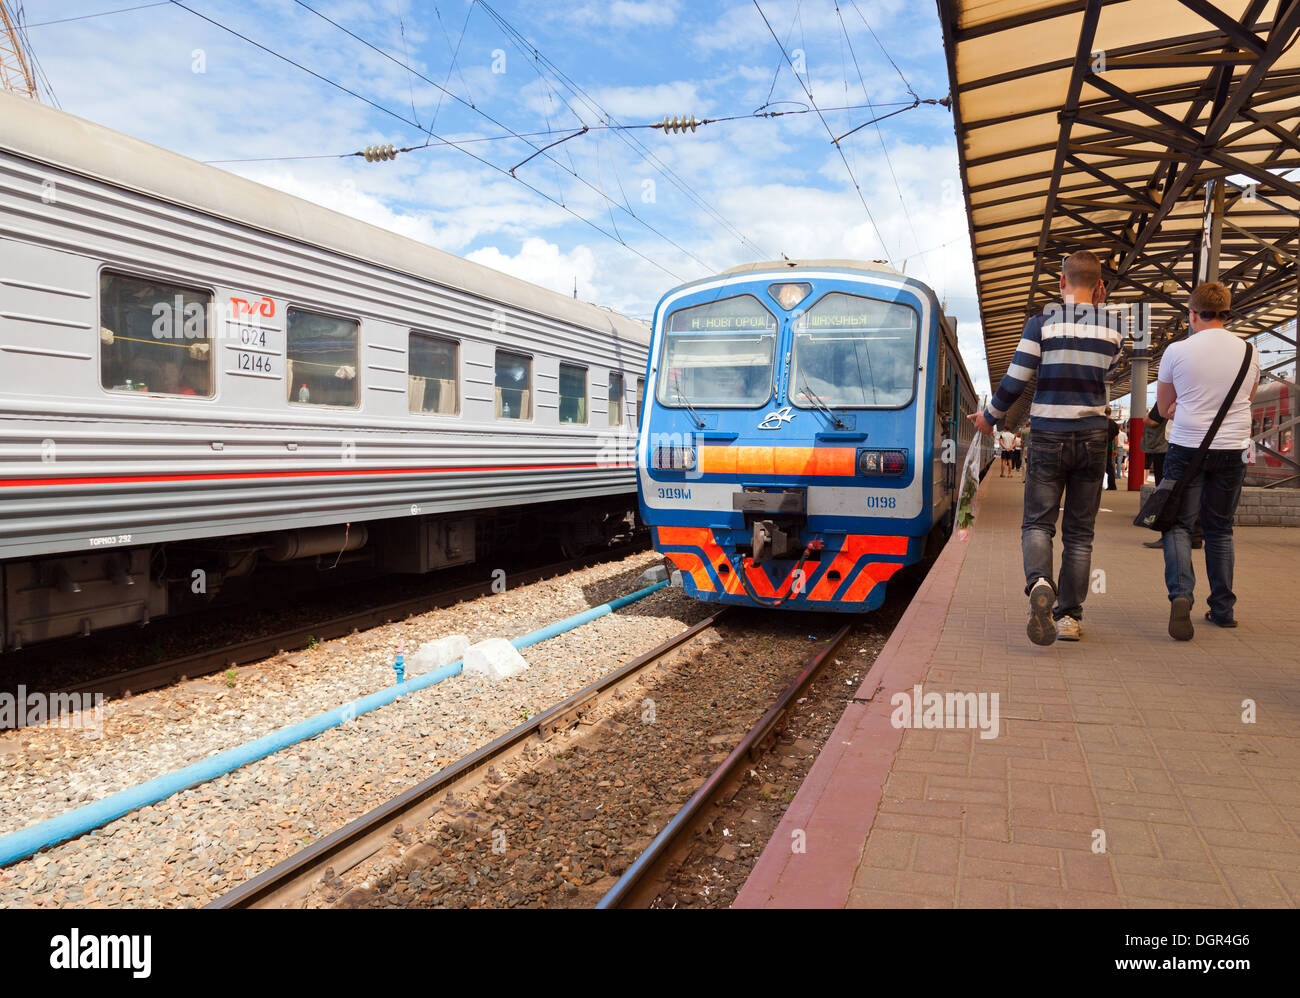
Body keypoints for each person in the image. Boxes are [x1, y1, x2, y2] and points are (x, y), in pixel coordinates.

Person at [970, 250, 1124, 645]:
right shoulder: (1115, 328)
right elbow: (1103, 370)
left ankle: (1040, 582)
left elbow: (1016, 378)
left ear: (1061, 282)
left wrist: (990, 416)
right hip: (1092, 435)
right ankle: (1069, 618)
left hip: (1048, 433)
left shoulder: (1042, 323)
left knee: (1039, 523)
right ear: (1100, 287)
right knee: (1079, 534)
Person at [1156, 281, 1259, 639]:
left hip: (1186, 447)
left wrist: (1180, 408)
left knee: (1178, 525)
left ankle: (1182, 595)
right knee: (1220, 528)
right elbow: (1248, 396)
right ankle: (1222, 608)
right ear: (1227, 313)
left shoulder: (1176, 351)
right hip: (1232, 449)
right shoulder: (1249, 351)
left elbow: (1163, 406)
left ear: (1191, 313)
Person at [1104, 407, 1120, 490]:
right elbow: (1116, 438)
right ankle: (1112, 485)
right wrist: (1115, 449)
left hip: (1100, 445)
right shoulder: (1114, 424)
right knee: (1109, 466)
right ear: (1110, 413)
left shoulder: (1101, 423)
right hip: (1109, 446)